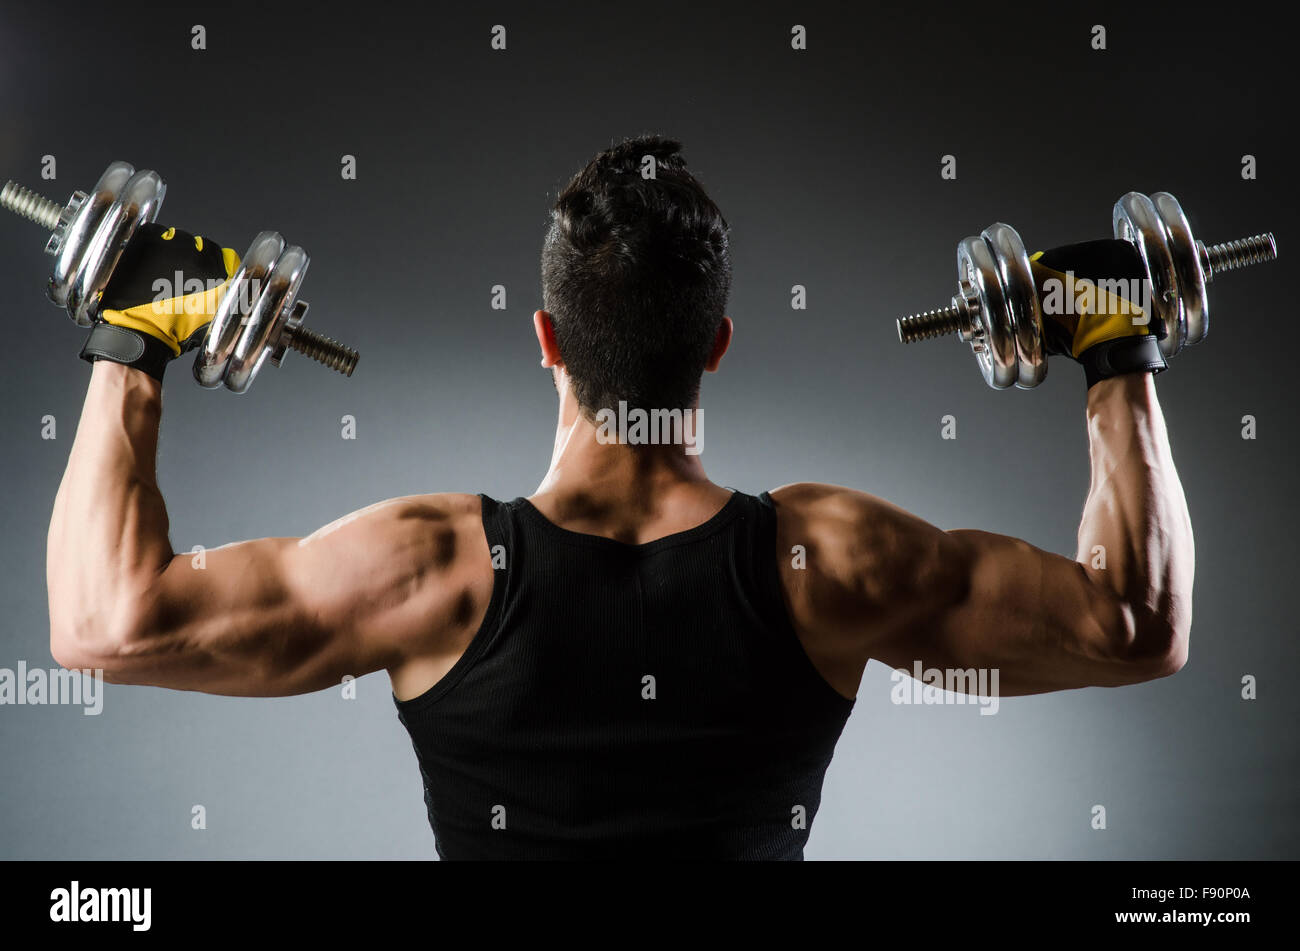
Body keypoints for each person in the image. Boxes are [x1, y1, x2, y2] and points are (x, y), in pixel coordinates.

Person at [46, 136, 1193, 859]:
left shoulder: (431, 568)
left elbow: (104, 623)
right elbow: (1136, 625)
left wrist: (130, 341)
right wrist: (1115, 354)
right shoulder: (830, 562)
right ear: (719, 344)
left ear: (544, 338)